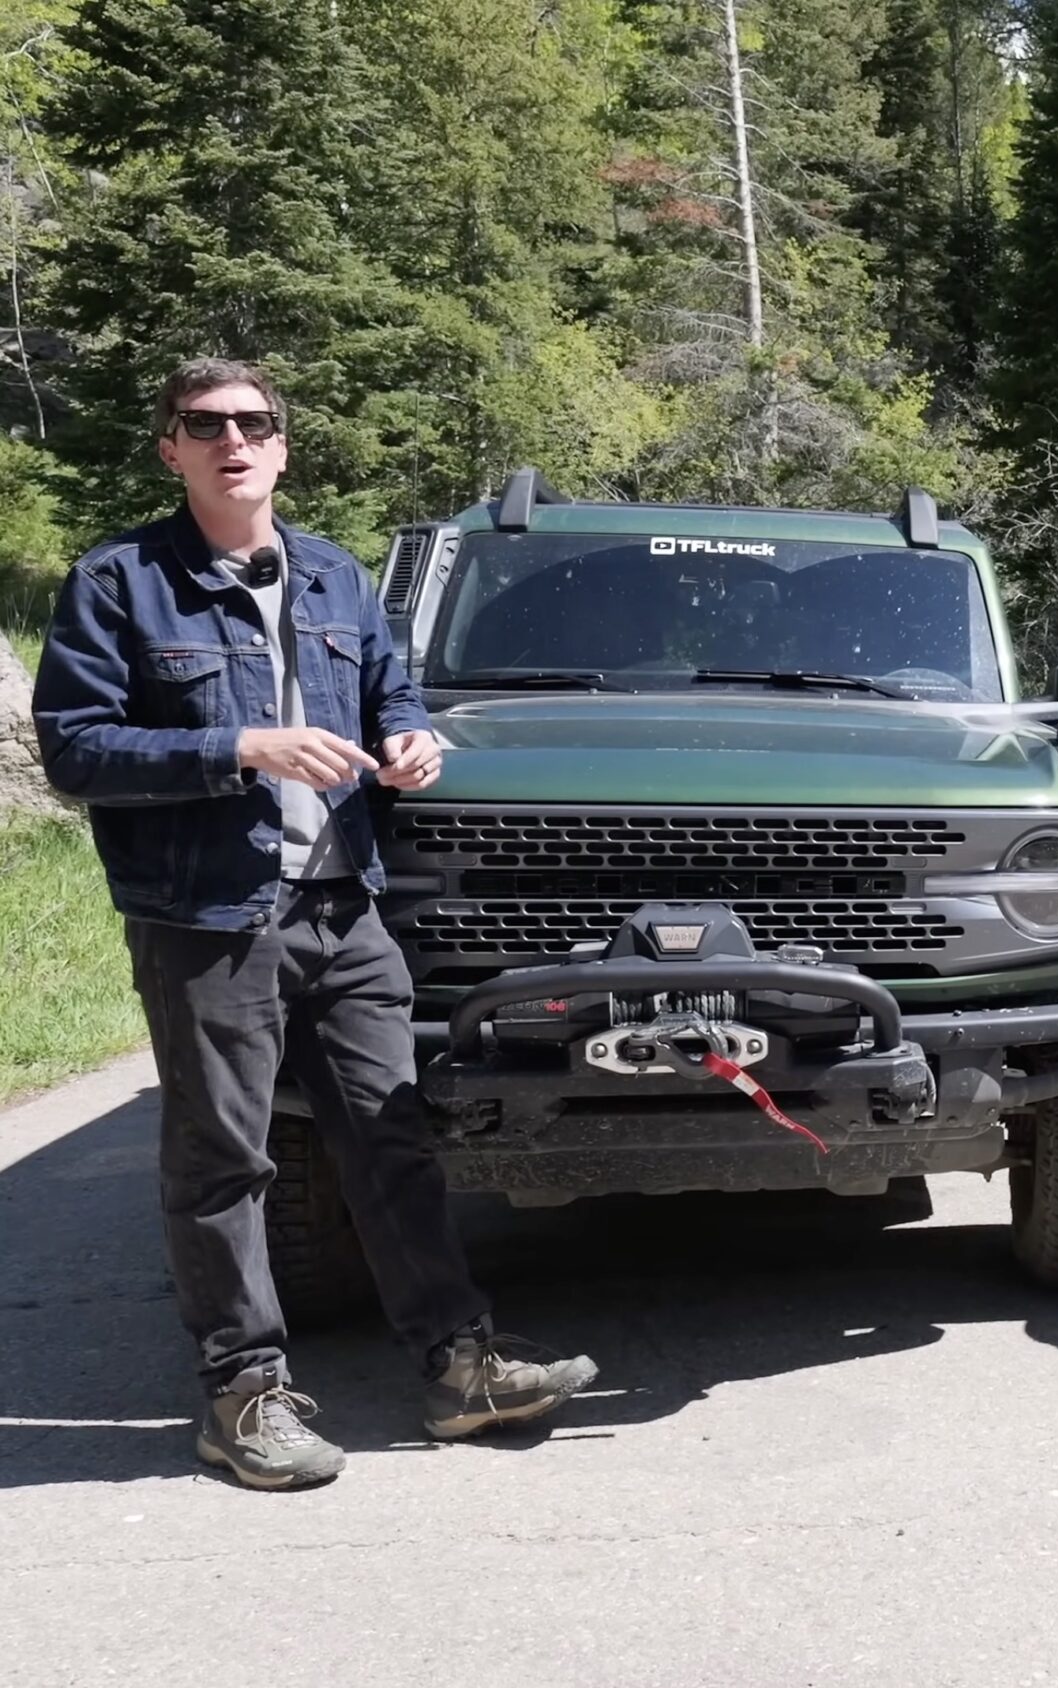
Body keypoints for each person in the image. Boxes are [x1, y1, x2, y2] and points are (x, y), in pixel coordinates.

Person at [32, 358, 599, 1489]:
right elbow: (75, 748)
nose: (233, 440)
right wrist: (239, 747)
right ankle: (243, 1397)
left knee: (391, 1140)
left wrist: (412, 742)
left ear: (283, 447)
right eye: (206, 425)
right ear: (174, 449)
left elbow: (389, 689)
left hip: (345, 904)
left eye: (253, 423)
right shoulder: (120, 582)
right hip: (207, 915)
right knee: (225, 1159)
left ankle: (458, 1367)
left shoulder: (336, 575)